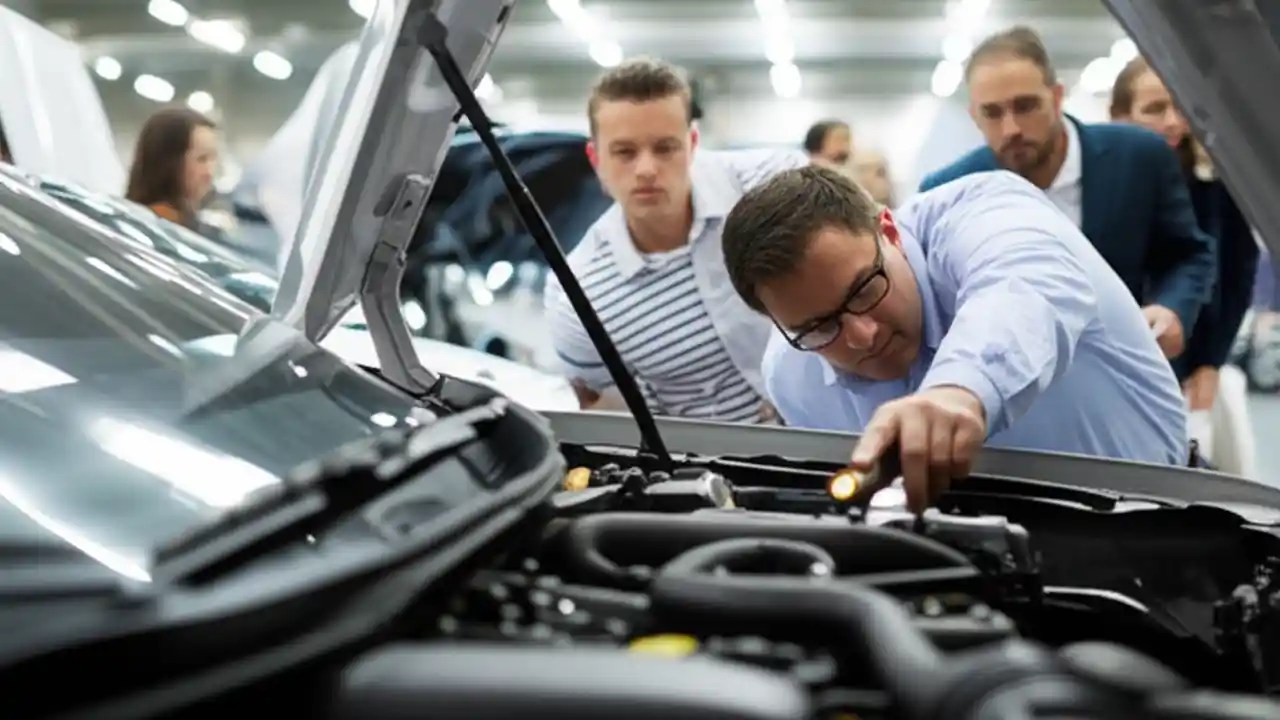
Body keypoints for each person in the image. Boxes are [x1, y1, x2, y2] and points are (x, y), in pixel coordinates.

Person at [721, 165, 1188, 512]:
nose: (861, 336)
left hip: (1165, 528)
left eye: (864, 289)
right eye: (820, 327)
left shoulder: (989, 213)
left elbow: (1023, 287)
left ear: (889, 232)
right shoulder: (791, 373)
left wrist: (959, 391)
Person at [919, 26, 1216, 363]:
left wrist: (1172, 309)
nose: (1011, 128)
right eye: (992, 112)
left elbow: (1188, 253)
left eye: (1026, 106)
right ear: (974, 116)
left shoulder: (1139, 157)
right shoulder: (947, 194)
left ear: (1057, 98)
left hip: (1129, 371)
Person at [544, 57, 806, 422]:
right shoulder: (576, 294)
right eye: (625, 152)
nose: (647, 169)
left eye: (665, 148)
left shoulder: (775, 186)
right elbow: (603, 413)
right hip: (713, 471)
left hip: (834, 438)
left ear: (692, 143)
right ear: (595, 158)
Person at [1110, 56, 1259, 472]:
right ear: (1121, 117)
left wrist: (1211, 361)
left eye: (1181, 108)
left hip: (1194, 373)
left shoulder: (1217, 191)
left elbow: (1236, 281)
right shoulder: (1110, 196)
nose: (1173, 122)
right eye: (1154, 109)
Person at [126, 106, 220, 235]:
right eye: (201, 159)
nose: (209, 172)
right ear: (169, 162)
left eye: (213, 158)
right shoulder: (160, 228)